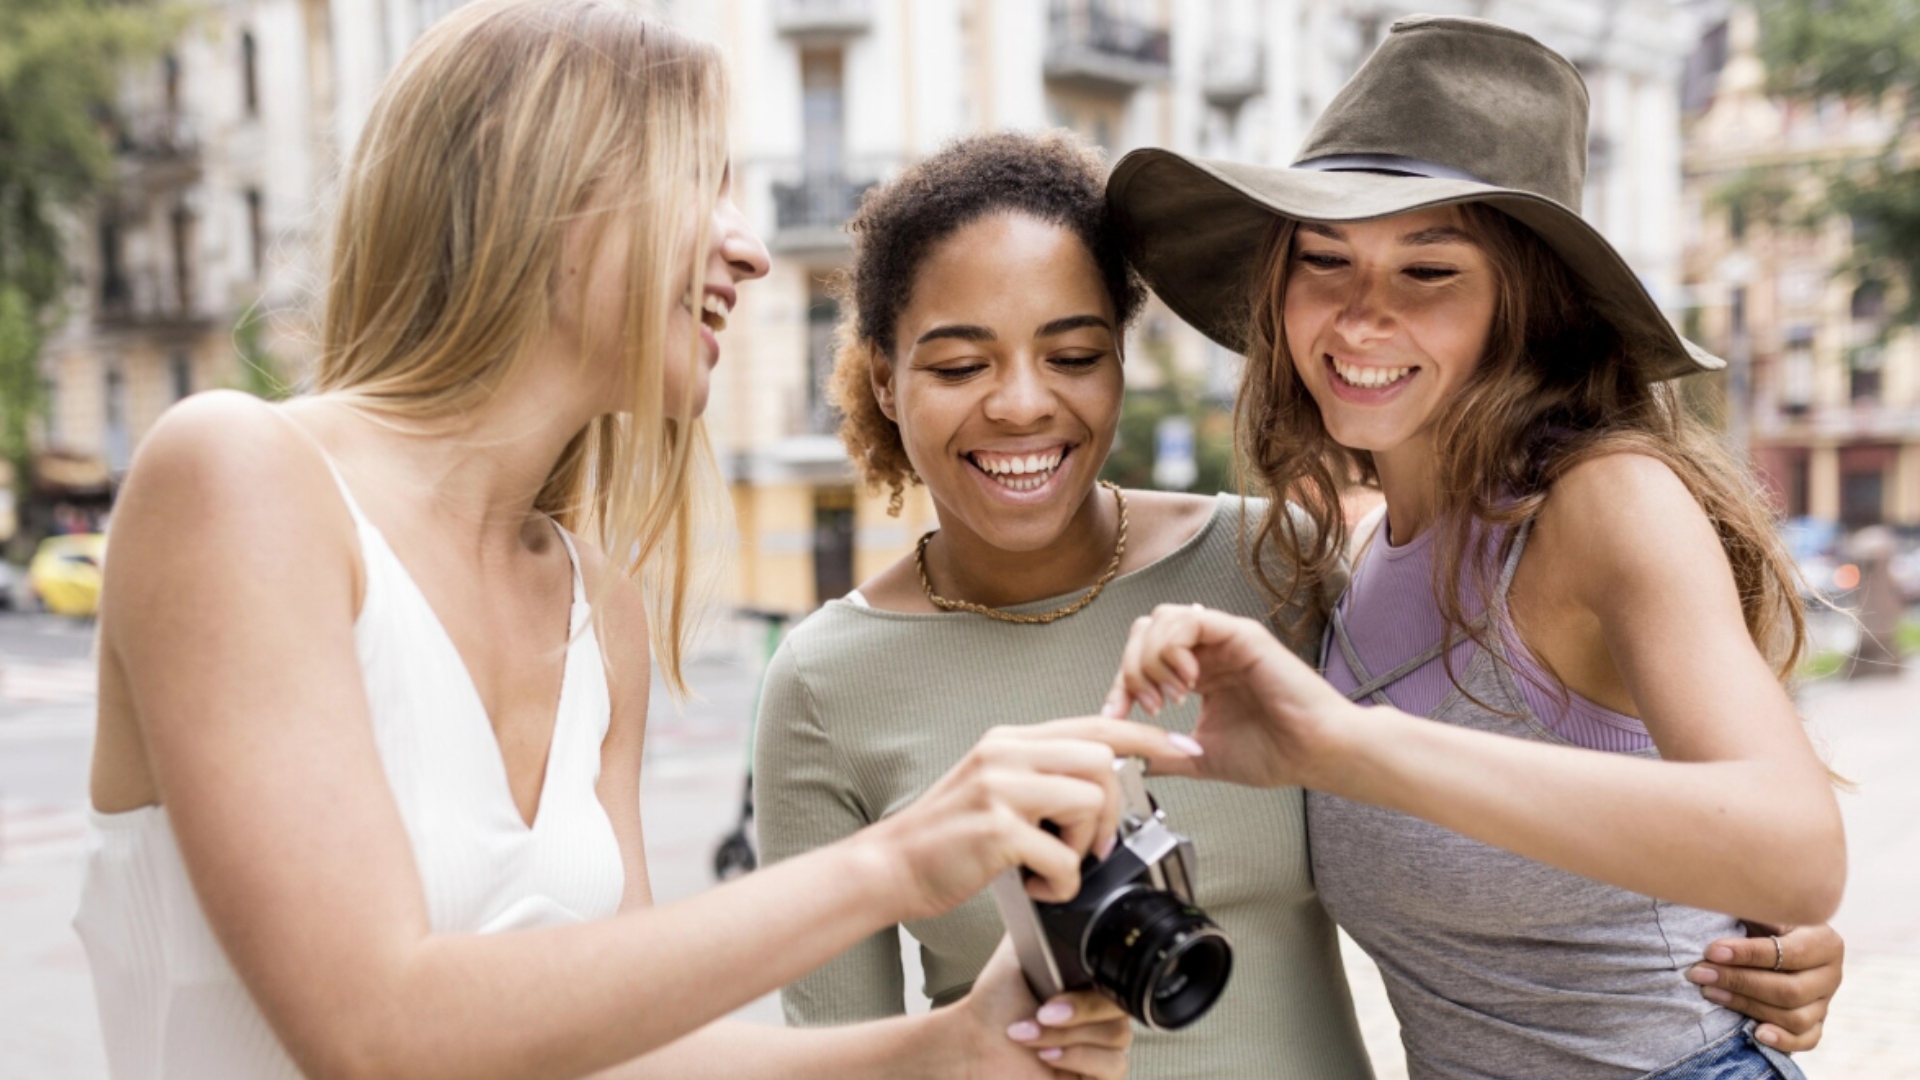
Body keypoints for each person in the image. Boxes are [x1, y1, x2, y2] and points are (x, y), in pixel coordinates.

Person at [72, 4, 1186, 1078]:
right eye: (702, 184)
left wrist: (938, 1056)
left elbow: (620, 1053)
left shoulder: (593, 608)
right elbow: (372, 1031)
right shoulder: (238, 479)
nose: (748, 251)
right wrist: (893, 863)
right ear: (546, 195)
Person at [752, 130, 1842, 1080]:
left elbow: (1750, 824)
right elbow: (827, 1058)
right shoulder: (818, 682)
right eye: (1328, 258)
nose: (1025, 401)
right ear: (883, 380)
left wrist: (1765, 938)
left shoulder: (1280, 566)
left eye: (1075, 353)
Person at [1105, 15, 1844, 1080]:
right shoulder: (1357, 561)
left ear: (1525, 309)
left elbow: (1796, 851)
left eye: (1429, 271)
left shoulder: (1599, 503)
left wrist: (1344, 747)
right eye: (1325, 259)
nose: (1361, 319)